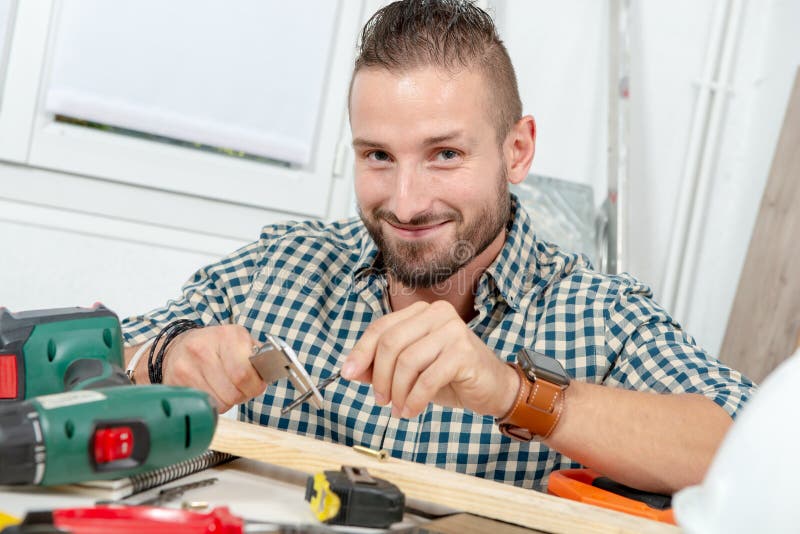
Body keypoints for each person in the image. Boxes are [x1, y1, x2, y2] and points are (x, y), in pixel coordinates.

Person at [122, 0, 754, 494]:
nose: (405, 202)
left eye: (444, 155)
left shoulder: (600, 316)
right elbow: (75, 367)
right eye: (377, 155)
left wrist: (511, 391)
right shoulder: (279, 268)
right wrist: (161, 360)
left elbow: (762, 451)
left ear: (518, 150)